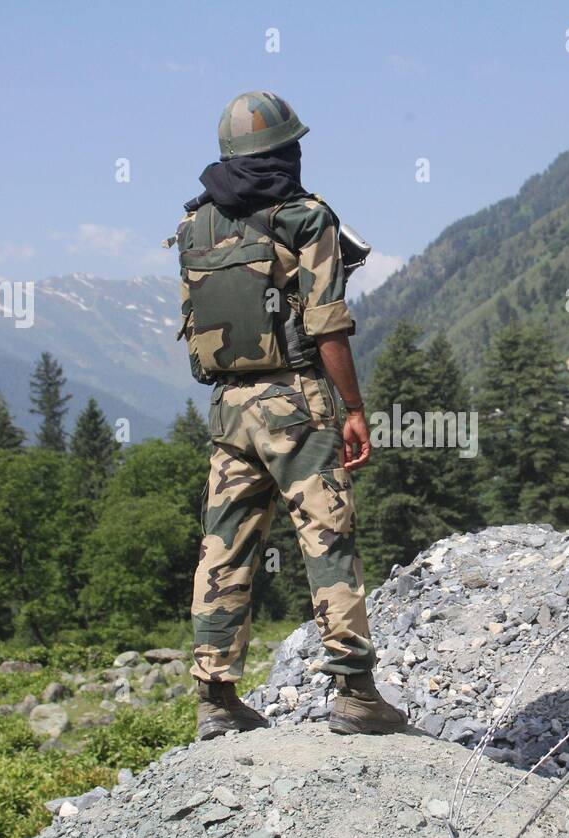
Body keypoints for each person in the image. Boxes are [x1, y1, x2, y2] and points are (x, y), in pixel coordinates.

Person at [173, 91, 406, 740]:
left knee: (224, 545)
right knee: (327, 535)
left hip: (226, 408)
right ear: (283, 152)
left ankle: (216, 699)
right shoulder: (305, 217)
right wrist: (353, 408)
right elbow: (328, 326)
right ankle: (355, 691)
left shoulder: (195, 224)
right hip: (294, 403)